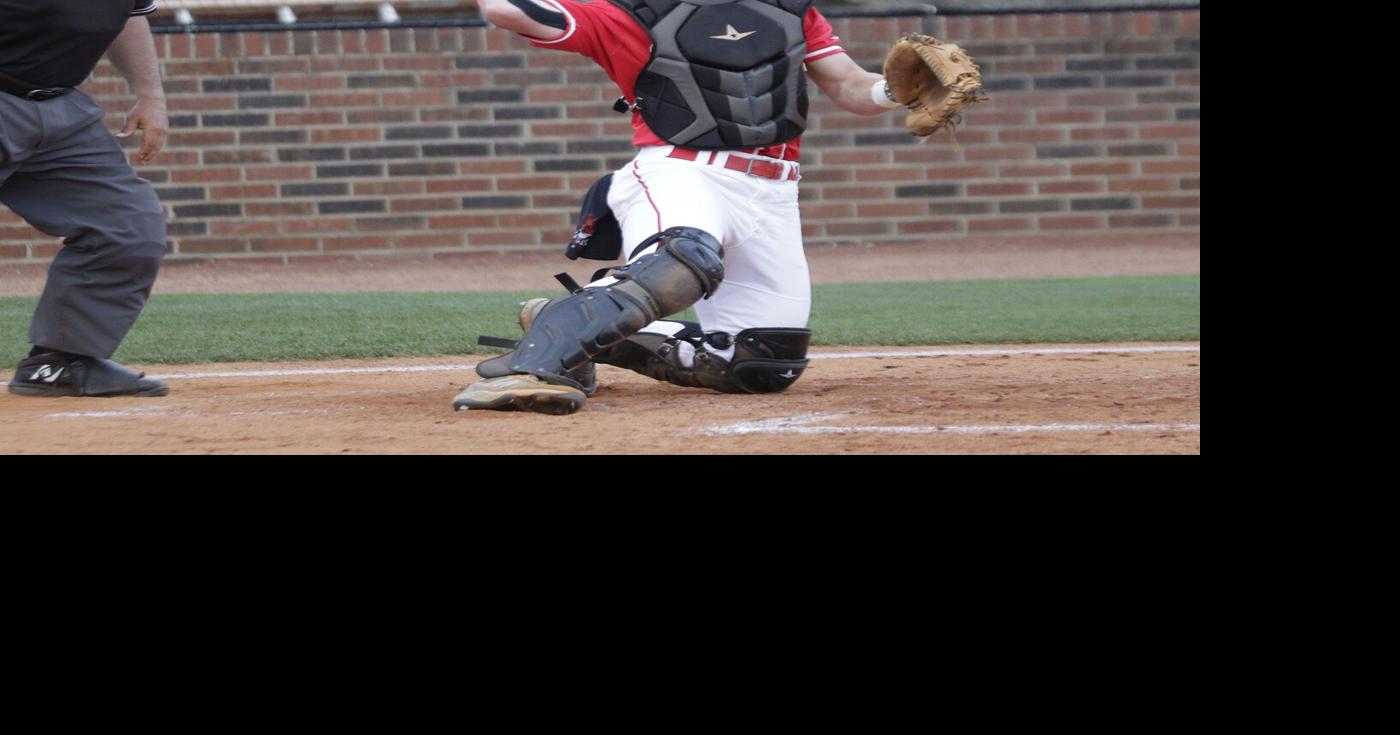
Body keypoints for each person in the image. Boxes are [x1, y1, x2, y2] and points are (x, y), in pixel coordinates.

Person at [454, 0, 908, 415]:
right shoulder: (629, 12)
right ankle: (533, 368)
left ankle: (567, 322)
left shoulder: (790, 10)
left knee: (760, 363)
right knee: (682, 262)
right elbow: (505, 9)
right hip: (681, 172)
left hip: (774, 191)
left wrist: (896, 90)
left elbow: (848, 84)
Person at [2, 1, 170, 398]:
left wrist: (151, 94)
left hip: (58, 109)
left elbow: (128, 14)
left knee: (127, 226)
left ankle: (60, 362)